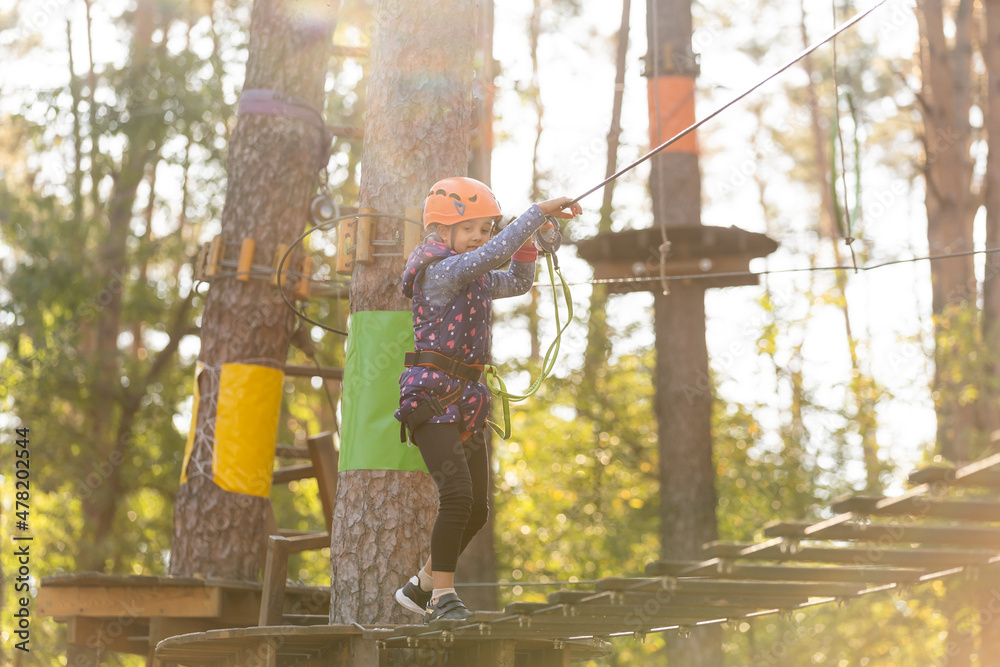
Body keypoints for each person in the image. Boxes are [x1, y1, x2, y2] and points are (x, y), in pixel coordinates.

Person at [393, 176, 581, 622]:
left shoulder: (473, 275)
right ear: (443, 232)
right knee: (457, 495)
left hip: (465, 399)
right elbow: (490, 257)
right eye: (471, 228)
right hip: (431, 396)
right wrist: (537, 212)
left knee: (477, 508)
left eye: (486, 228)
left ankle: (421, 586)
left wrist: (531, 240)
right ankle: (442, 598)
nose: (481, 236)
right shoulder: (439, 273)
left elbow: (516, 279)